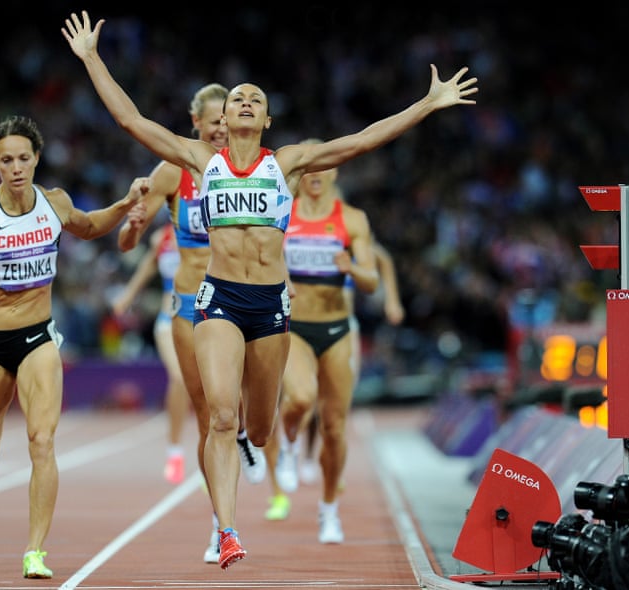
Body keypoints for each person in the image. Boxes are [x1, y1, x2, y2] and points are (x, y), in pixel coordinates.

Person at [63, 10, 478, 568]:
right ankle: (228, 531)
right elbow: (131, 121)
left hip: (271, 305)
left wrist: (426, 105)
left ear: (267, 118)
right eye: (237, 98)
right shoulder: (199, 160)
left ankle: (260, 447)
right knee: (221, 416)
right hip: (219, 301)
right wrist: (92, 58)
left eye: (254, 98)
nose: (244, 102)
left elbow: (360, 141)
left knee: (259, 429)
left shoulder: (285, 164)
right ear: (224, 116)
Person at [0, 115, 148, 579]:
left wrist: (126, 202)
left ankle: (35, 551)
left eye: (24, 158)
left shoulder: (54, 203)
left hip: (37, 338)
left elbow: (90, 226)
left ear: (37, 159)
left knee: (42, 440)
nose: (16, 167)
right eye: (7, 159)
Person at [112, 82, 266, 564]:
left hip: (241, 295)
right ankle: (221, 524)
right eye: (214, 121)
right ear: (196, 123)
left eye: (227, 120)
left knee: (242, 408)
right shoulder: (174, 170)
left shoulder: (247, 167)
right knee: (207, 413)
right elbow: (125, 243)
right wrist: (133, 225)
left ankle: (243, 433)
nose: (223, 128)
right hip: (188, 302)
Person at [262, 155, 405, 546]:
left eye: (323, 169)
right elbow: (263, 255)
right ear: (299, 175)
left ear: (334, 172)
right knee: (300, 398)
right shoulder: (282, 213)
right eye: (308, 170)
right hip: (296, 327)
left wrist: (351, 268)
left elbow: (372, 279)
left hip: (339, 329)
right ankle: (289, 445)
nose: (315, 176)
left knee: (334, 427)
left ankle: (329, 512)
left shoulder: (353, 218)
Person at [293, 238, 406, 491]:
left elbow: (383, 258)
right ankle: (306, 455)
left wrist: (392, 300)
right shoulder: (305, 239)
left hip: (344, 329)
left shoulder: (351, 238)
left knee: (337, 401)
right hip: (308, 327)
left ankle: (333, 463)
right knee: (308, 397)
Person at [111, 222, 190, 485]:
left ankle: (211, 451)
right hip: (169, 318)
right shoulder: (162, 238)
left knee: (208, 389)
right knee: (179, 379)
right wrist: (127, 296)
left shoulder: (210, 227)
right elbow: (146, 268)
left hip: (203, 318)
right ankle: (175, 451)